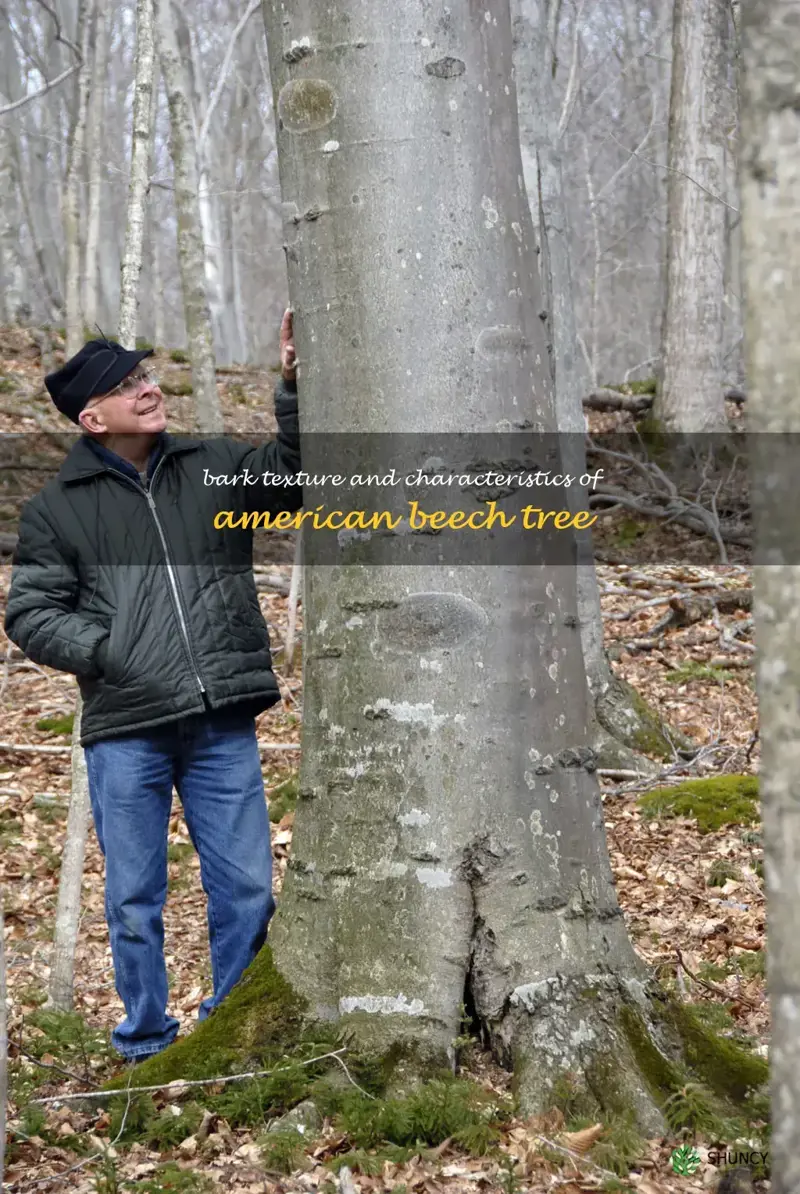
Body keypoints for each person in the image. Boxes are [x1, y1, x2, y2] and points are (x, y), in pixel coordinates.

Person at [3, 311, 302, 1064]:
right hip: (126, 726)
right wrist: (111, 652)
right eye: (128, 384)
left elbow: (294, 475)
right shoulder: (57, 509)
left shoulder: (212, 466)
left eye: (146, 376)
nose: (149, 389)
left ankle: (228, 1032)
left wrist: (295, 383)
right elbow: (30, 612)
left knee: (248, 891)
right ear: (91, 416)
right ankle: (145, 1042)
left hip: (218, 721)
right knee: (136, 902)